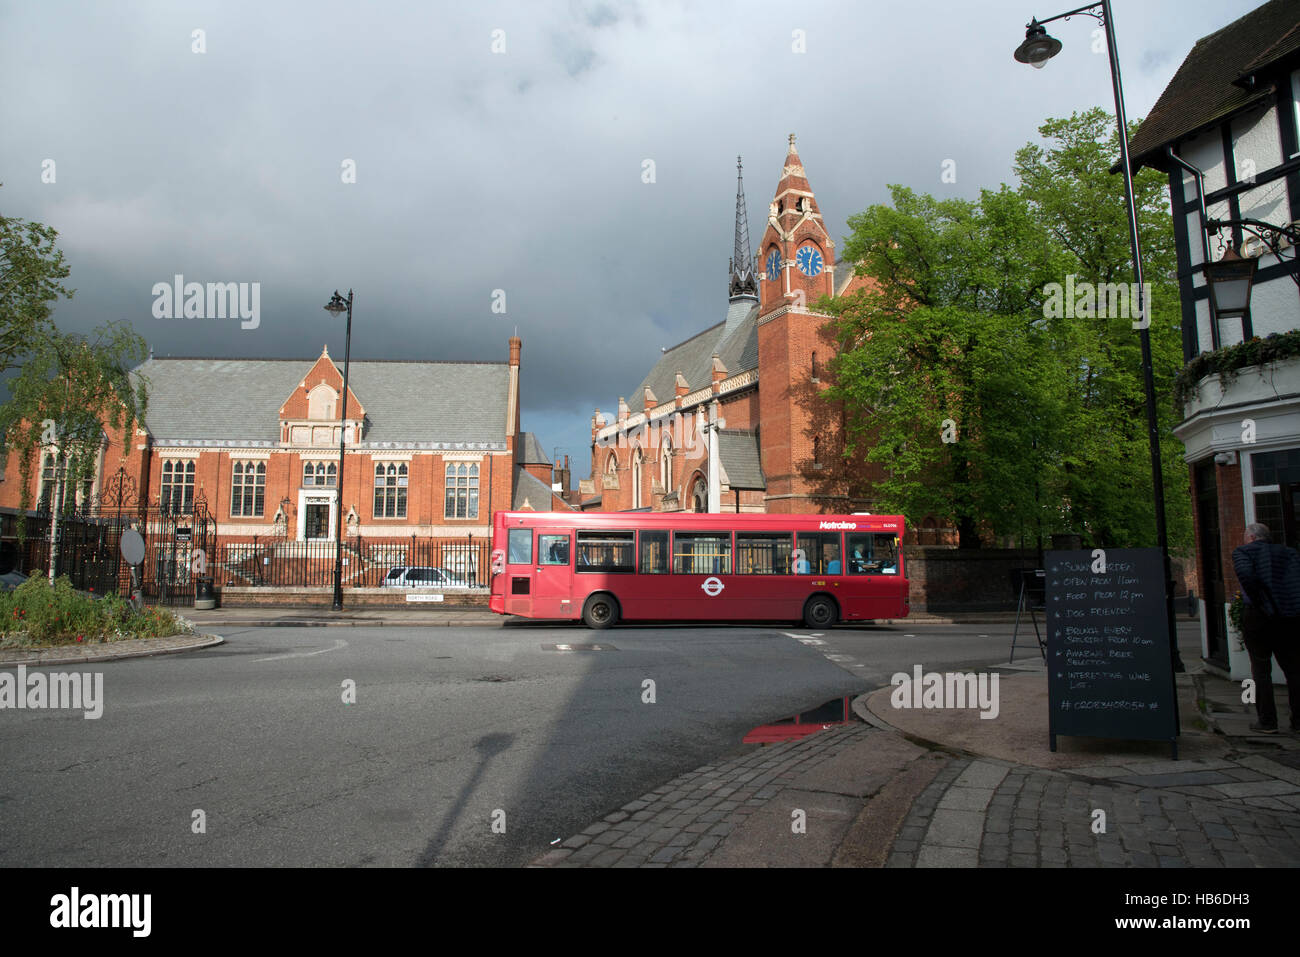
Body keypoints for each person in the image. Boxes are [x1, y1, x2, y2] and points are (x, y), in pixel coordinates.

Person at [1232, 523, 1300, 734]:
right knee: (1293, 668)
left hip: (1258, 615)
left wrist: (1259, 599)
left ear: (1251, 537)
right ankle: (1298, 721)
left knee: (1261, 668)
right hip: (1287, 615)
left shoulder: (1244, 552)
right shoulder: (1289, 553)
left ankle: (1267, 721)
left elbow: (1245, 575)